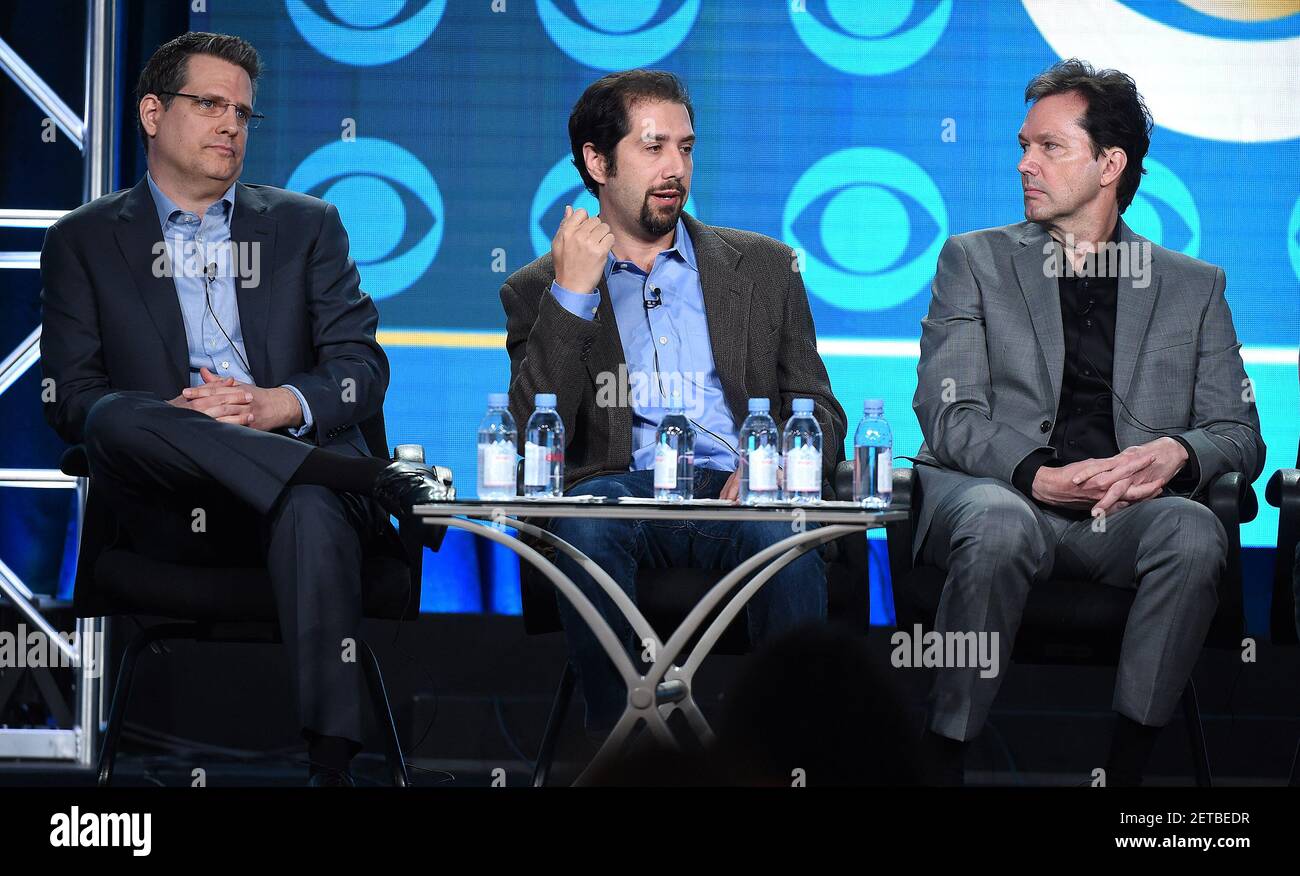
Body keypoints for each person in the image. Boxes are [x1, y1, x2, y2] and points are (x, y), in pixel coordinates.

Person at [39, 32, 452, 787]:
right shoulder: (85, 240)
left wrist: (274, 405)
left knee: (309, 505)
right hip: (170, 499)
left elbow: (362, 368)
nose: (232, 124)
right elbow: (70, 398)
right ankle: (371, 480)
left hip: (295, 509)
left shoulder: (305, 226)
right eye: (211, 105)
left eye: (243, 113)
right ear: (153, 113)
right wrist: (183, 423)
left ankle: (329, 765)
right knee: (110, 419)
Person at [910, 59, 1265, 786]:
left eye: (1048, 147)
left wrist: (1175, 453)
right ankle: (944, 760)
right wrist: (1037, 475)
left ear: (1111, 163)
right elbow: (948, 413)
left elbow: (1239, 431)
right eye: (1023, 145)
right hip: (1004, 496)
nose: (1024, 163)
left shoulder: (1194, 287)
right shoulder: (973, 261)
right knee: (999, 521)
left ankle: (1125, 772)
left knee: (1194, 529)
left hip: (1125, 513)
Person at [500, 69, 847, 736]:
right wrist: (572, 297)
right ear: (596, 162)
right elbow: (526, 443)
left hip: (737, 490)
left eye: (685, 149)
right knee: (587, 524)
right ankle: (627, 754)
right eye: (653, 148)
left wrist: (769, 459)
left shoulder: (766, 267)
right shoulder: (535, 289)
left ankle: (792, 761)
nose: (675, 169)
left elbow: (819, 408)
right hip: (616, 496)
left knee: (786, 537)